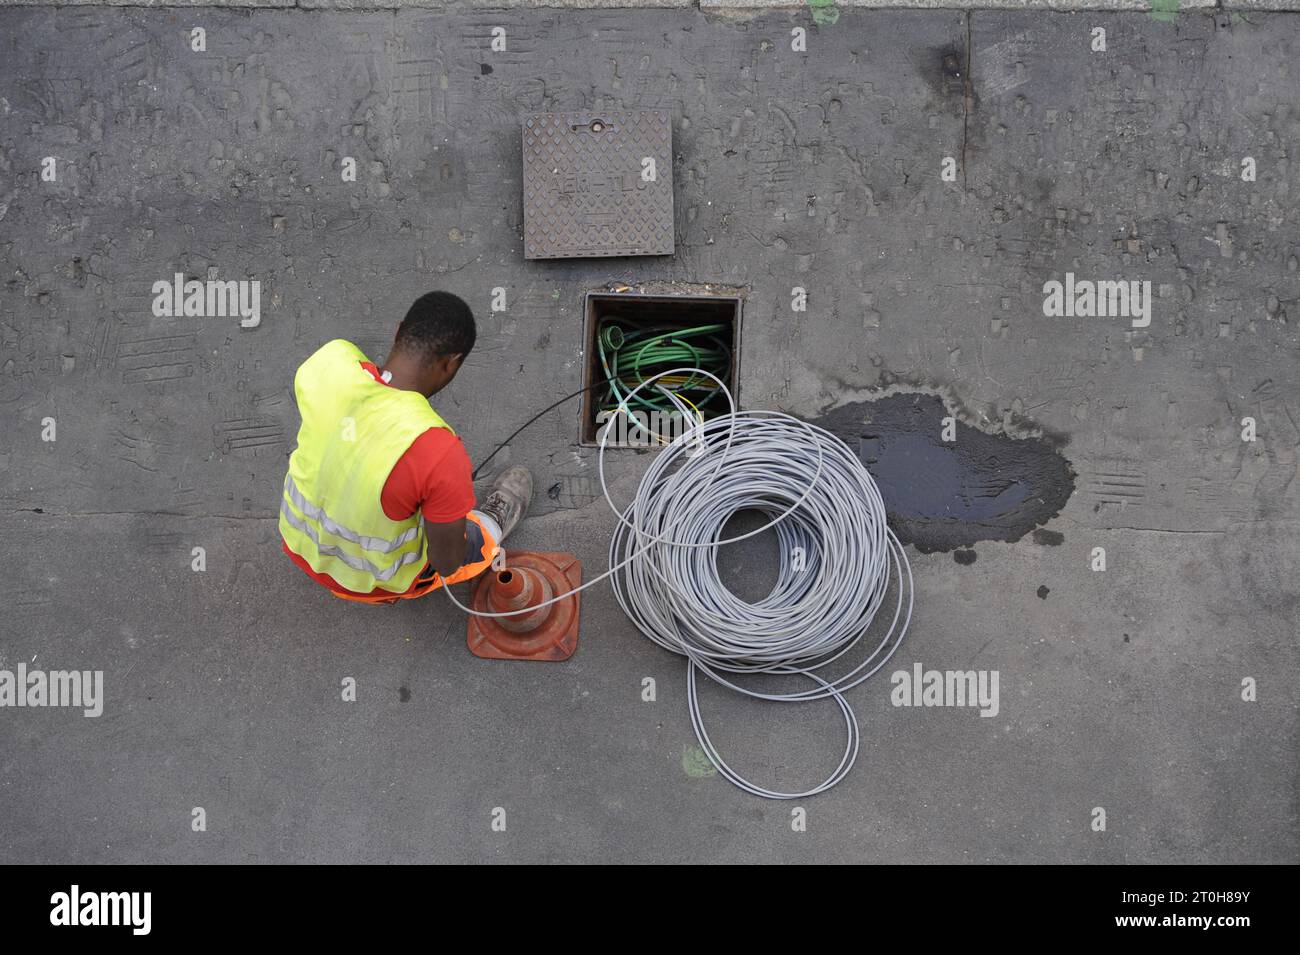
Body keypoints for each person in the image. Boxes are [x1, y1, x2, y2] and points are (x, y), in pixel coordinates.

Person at [278, 291, 533, 605]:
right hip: (372, 584)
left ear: (398, 331)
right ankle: (492, 524)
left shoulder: (331, 362)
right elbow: (446, 563)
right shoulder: (437, 451)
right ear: (451, 364)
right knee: (473, 542)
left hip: (298, 543)